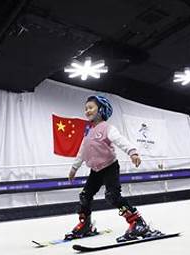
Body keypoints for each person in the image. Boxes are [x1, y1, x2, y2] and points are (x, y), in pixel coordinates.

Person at [66, 95, 159, 242]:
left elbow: (120, 140)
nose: (87, 111)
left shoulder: (108, 128)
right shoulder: (88, 133)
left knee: (112, 196)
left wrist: (132, 152)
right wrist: (74, 168)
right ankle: (86, 224)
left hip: (110, 167)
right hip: (95, 171)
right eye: (86, 108)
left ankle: (138, 223)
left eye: (91, 107)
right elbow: (82, 152)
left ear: (101, 110)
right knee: (85, 196)